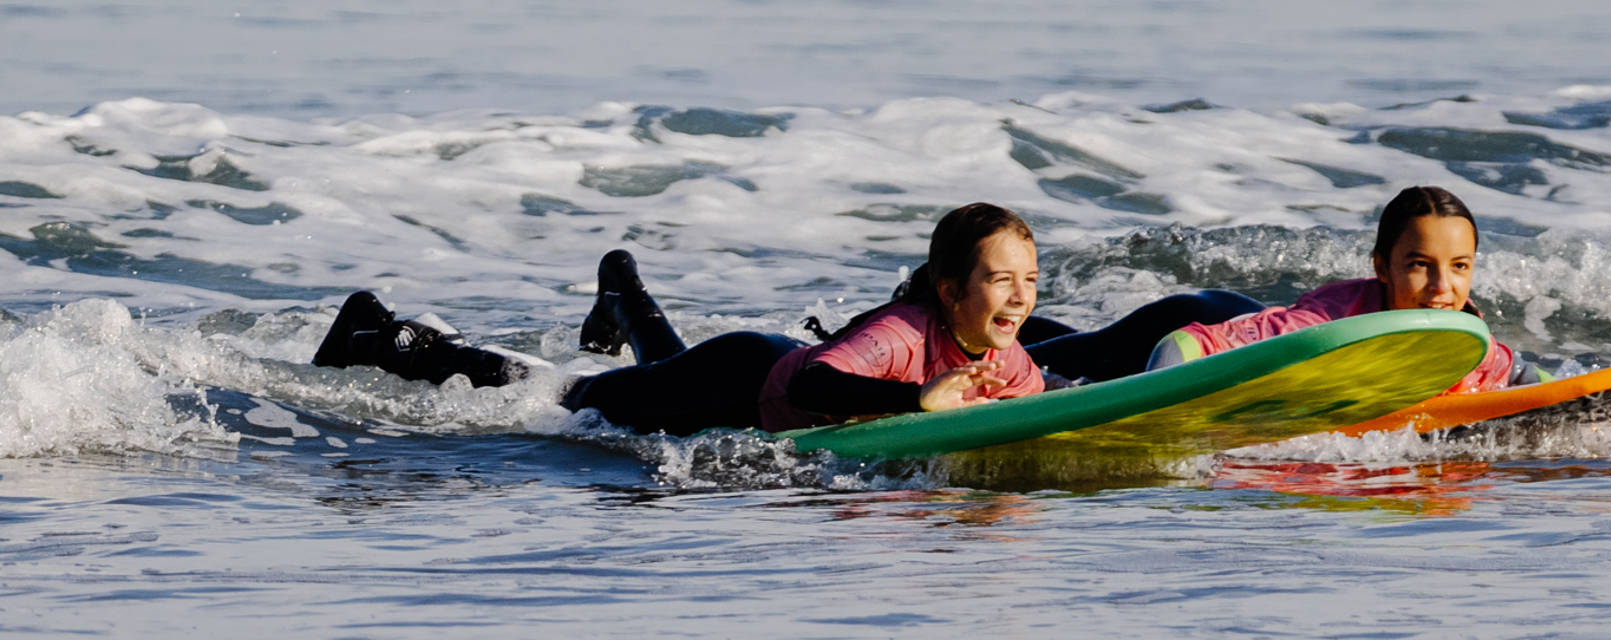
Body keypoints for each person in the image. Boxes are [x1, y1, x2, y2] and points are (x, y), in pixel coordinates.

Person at [312, 202, 1050, 435]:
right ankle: (387, 336)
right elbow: (824, 384)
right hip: (736, 375)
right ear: (950, 291)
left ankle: (622, 292)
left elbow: (1035, 401)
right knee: (567, 400)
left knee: (653, 369)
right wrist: (914, 400)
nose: (1020, 297)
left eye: (1031, 281)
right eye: (1001, 281)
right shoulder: (897, 335)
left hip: (757, 373)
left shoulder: (1005, 355)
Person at [1137, 185, 1547, 393]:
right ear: (1382, 267)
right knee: (1076, 360)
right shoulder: (1324, 327)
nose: (1443, 287)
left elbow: (1520, 376)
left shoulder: (1469, 341)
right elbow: (1187, 342)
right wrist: (1153, 404)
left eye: (1459, 267)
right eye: (1420, 265)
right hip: (1195, 318)